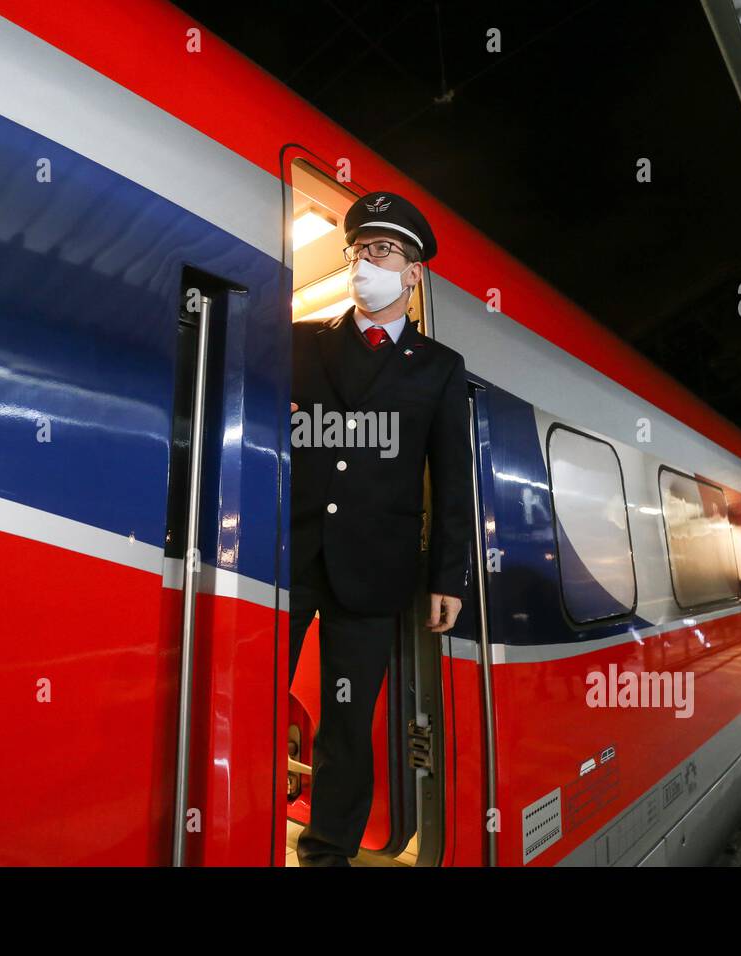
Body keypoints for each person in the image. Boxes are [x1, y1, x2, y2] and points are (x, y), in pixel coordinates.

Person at [288, 191, 473, 866]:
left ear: (413, 272)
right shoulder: (301, 343)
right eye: (360, 249)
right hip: (290, 556)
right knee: (251, 699)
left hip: (375, 570)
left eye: (384, 251)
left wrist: (447, 576)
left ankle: (326, 853)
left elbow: (452, 478)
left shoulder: (439, 368)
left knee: (346, 723)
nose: (367, 262)